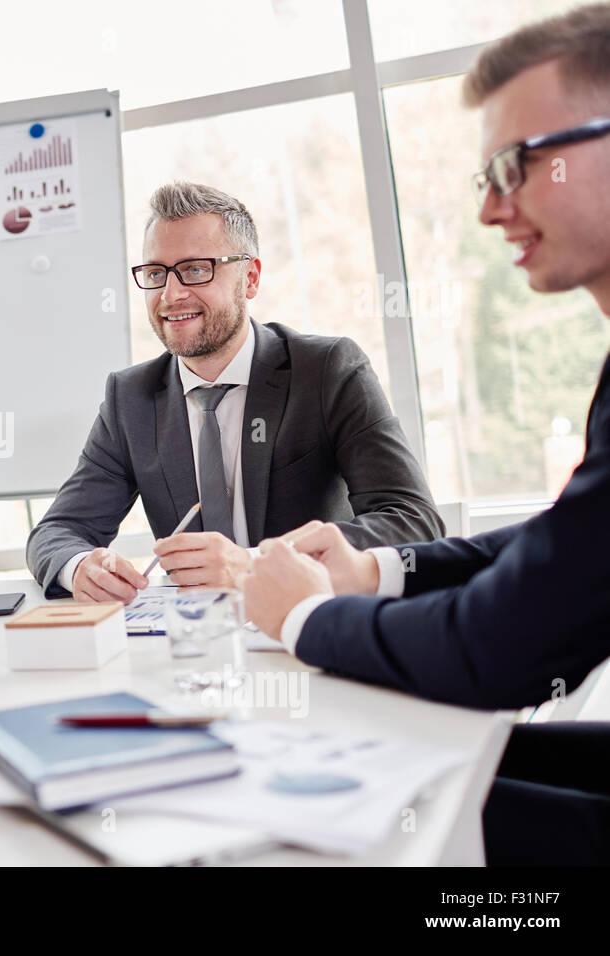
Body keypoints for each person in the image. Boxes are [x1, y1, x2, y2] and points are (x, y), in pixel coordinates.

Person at [241, 3, 610, 865]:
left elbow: (496, 650)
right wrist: (376, 571)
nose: (491, 208)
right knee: (419, 785)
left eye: (516, 167)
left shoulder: (328, 364)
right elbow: (568, 545)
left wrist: (306, 615)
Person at [26, 181, 443, 602]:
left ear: (250, 278)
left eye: (195, 270)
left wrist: (255, 562)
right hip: (196, 642)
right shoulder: (130, 398)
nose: (171, 295)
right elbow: (57, 532)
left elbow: (413, 520)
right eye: (156, 274)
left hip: (318, 625)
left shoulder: (327, 370)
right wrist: (80, 568)